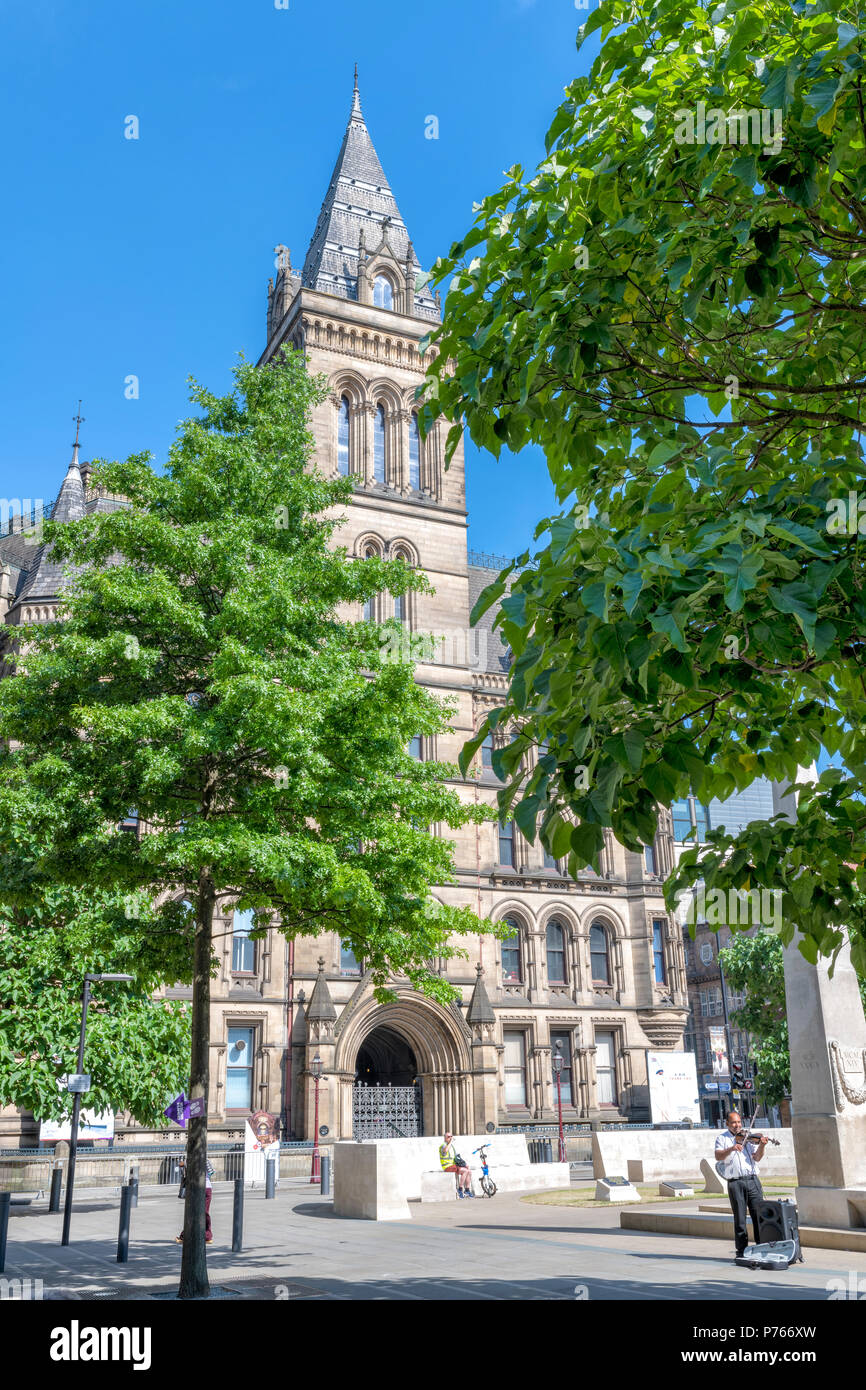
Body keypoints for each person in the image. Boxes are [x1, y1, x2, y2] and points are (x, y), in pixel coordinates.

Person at [715, 1110, 768, 1260]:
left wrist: (762, 1146)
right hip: (735, 1182)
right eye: (733, 1122)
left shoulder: (748, 1138)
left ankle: (761, 1246)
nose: (737, 1125)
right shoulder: (722, 1138)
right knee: (740, 1218)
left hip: (752, 1180)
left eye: (739, 1122)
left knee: (759, 1215)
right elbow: (718, 1156)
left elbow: (756, 1158)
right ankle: (741, 1251)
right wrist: (732, 1148)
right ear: (727, 1124)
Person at [176, 1158, 214, 1243]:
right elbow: (211, 1172)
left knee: (193, 1213)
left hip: (199, 1189)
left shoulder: (193, 1160)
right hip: (207, 1188)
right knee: (204, 1213)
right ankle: (207, 1236)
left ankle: (185, 1236)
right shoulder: (205, 1160)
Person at [439, 1132, 474, 1197]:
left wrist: (464, 1164)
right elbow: (445, 1151)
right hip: (447, 1166)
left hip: (453, 1165)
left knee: (469, 1171)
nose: (450, 1138)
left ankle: (467, 1190)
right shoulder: (443, 1145)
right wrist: (451, 1142)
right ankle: (460, 1189)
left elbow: (457, 1158)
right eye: (448, 1137)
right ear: (445, 1138)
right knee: (465, 1171)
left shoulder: (451, 1146)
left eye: (451, 1136)